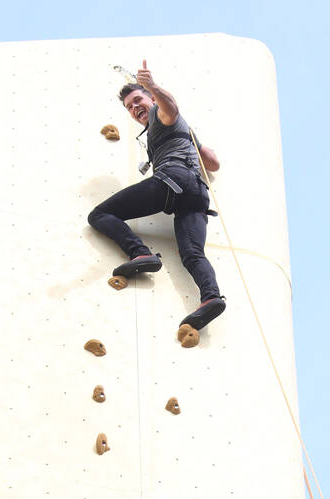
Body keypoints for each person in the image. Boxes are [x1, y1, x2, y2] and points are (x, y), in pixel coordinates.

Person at [87, 60, 226, 333]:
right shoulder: (180, 131)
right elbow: (213, 163)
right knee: (192, 253)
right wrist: (192, 141)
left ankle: (140, 253)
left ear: (151, 99)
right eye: (129, 107)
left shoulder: (160, 116)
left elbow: (171, 108)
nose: (134, 108)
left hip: (173, 179)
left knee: (99, 215)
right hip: (197, 194)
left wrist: (152, 86)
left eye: (138, 100)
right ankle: (211, 297)